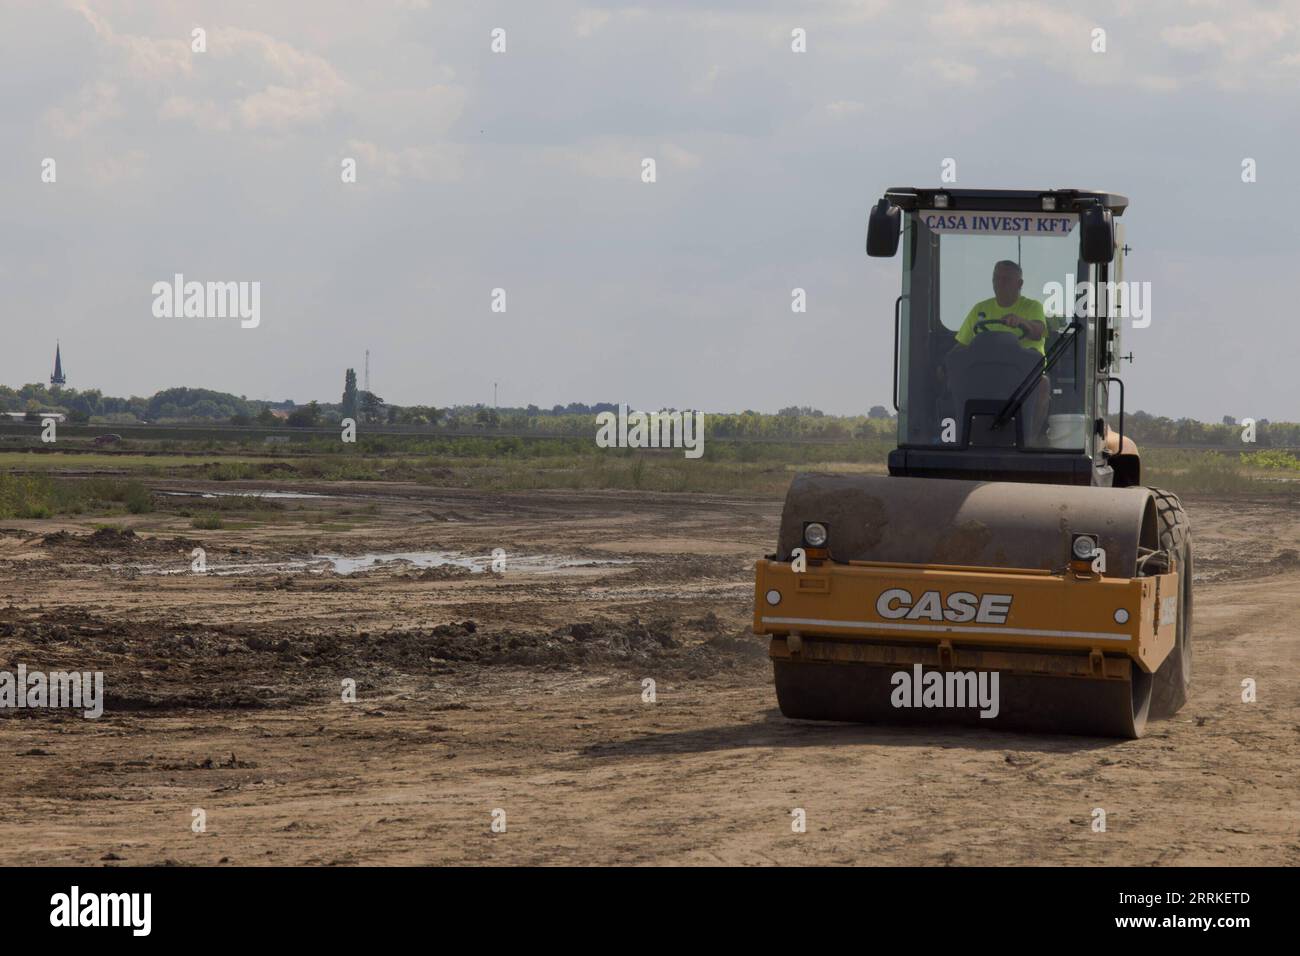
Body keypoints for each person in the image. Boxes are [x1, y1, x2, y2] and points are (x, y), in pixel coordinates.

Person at [954, 260, 1053, 354]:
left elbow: (1038, 333)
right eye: (996, 278)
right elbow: (962, 345)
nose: (1000, 283)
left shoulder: (1033, 306)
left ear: (1020, 284)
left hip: (1027, 370)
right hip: (987, 367)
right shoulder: (979, 308)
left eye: (1006, 279)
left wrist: (1021, 321)